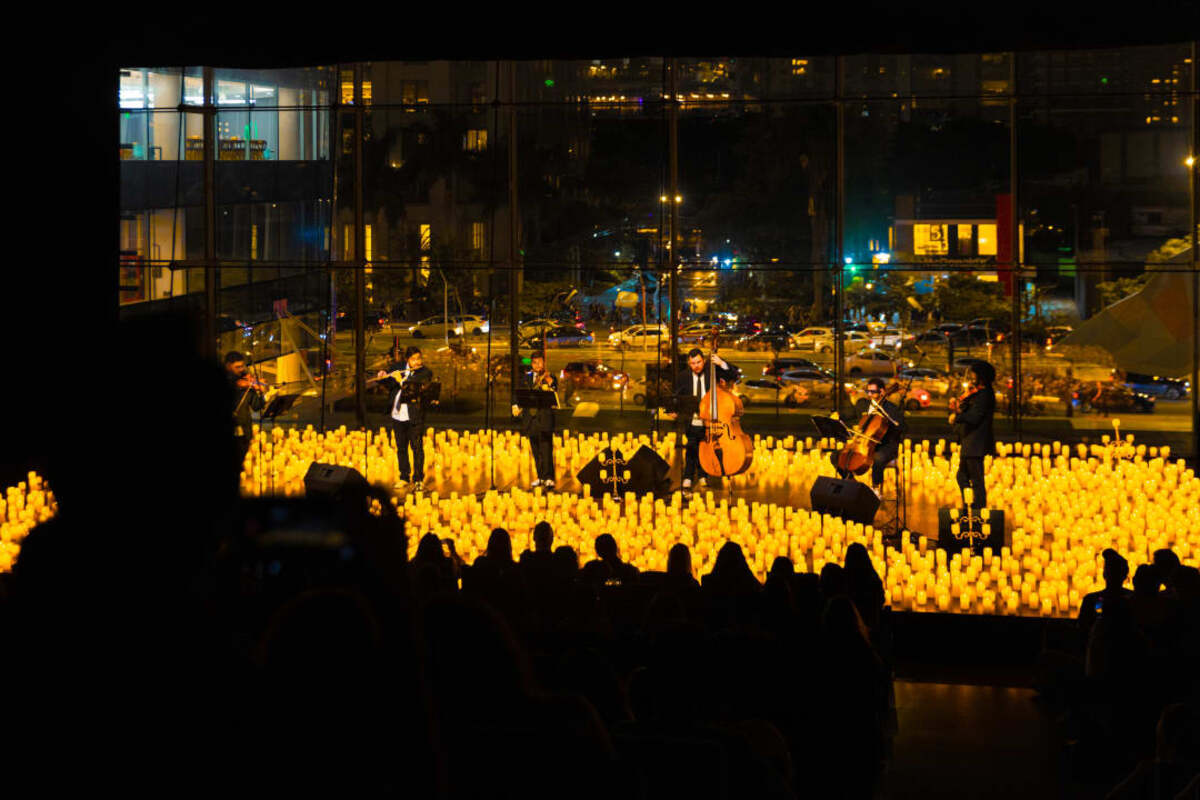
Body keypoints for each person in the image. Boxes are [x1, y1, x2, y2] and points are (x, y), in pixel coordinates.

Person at [671, 347, 739, 494]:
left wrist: (721, 363)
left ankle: (702, 475)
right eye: (692, 363)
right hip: (693, 419)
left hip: (712, 421)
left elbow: (734, 375)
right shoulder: (683, 377)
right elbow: (676, 396)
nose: (696, 366)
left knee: (706, 450)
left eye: (698, 362)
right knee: (691, 447)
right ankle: (688, 477)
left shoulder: (712, 373)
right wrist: (673, 409)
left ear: (704, 360)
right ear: (689, 363)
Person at [829, 377, 902, 498]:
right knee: (835, 456)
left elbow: (902, 428)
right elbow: (848, 414)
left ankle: (875, 489)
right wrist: (838, 416)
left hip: (885, 445)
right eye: (868, 391)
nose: (869, 394)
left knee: (878, 458)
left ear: (882, 392)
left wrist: (889, 420)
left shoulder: (891, 409)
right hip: (863, 444)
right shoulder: (862, 404)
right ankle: (852, 483)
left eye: (873, 392)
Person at [376, 345, 433, 491]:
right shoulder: (398, 367)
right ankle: (404, 477)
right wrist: (382, 375)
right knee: (401, 448)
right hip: (397, 415)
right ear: (408, 359)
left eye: (419, 358)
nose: (417, 362)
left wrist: (400, 380)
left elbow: (412, 390)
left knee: (417, 448)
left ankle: (418, 479)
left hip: (414, 416)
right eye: (414, 359)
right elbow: (388, 383)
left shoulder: (425, 372)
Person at [949, 362, 996, 510]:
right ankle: (969, 503)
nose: (972, 377)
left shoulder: (985, 395)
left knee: (976, 479)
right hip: (970, 442)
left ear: (981, 376)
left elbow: (975, 417)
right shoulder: (979, 393)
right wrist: (960, 404)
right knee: (962, 476)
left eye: (974, 374)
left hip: (976, 442)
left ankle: (978, 508)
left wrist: (957, 417)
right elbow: (968, 409)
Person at [512, 353, 558, 489]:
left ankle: (549, 477)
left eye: (540, 362)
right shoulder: (527, 377)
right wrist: (515, 405)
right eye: (535, 363)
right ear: (531, 364)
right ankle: (540, 477)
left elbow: (554, 388)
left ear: (544, 363)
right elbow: (519, 393)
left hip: (544, 418)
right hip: (530, 419)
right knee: (536, 449)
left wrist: (549, 381)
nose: (537, 365)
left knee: (546, 449)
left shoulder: (550, 376)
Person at [225, 350, 269, 473]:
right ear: (228, 366)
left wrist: (264, 394)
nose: (241, 370)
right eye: (237, 367)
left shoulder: (247, 384)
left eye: (242, 366)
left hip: (245, 430)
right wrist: (239, 386)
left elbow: (256, 406)